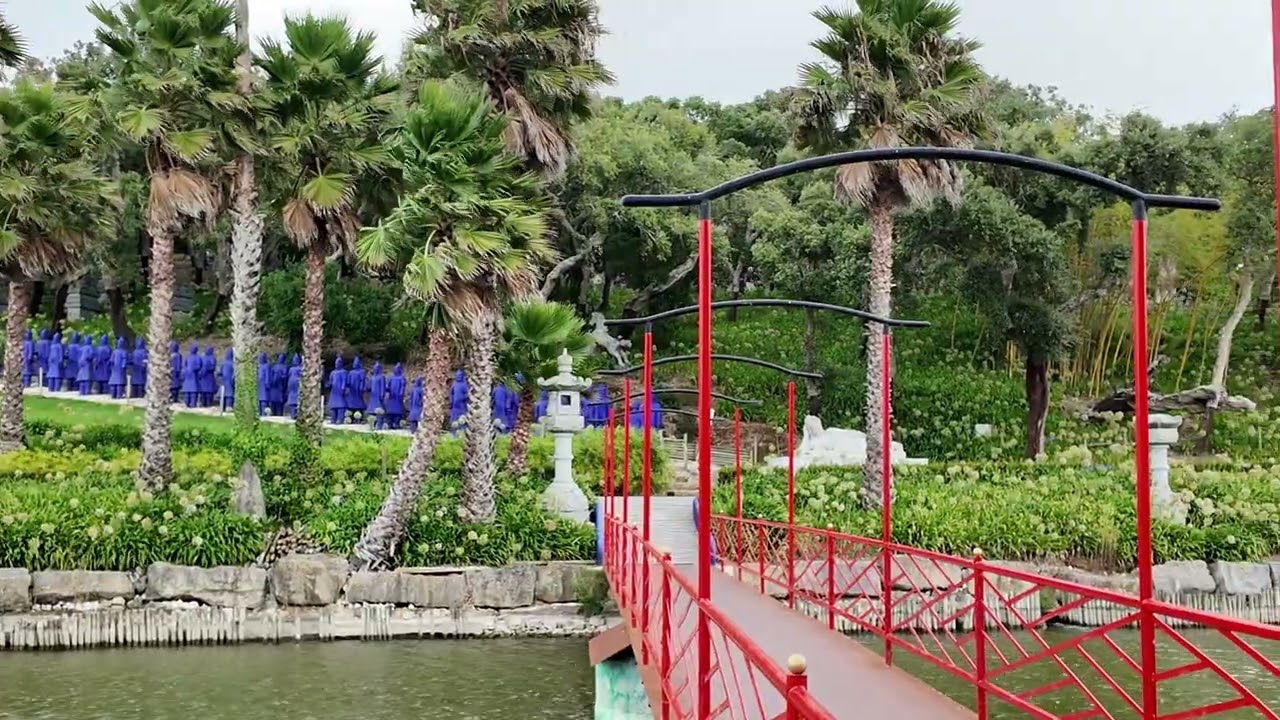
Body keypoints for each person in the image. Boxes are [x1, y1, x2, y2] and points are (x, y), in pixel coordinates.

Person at [326, 357, 348, 425]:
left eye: (338, 363)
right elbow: (330, 381)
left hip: (340, 390)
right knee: (333, 406)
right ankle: (333, 418)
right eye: (336, 363)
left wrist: (343, 388)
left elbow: (344, 381)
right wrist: (327, 384)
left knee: (341, 405)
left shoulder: (343, 372)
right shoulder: (333, 372)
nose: (336, 364)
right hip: (334, 391)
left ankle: (340, 419)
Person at [384, 363, 406, 429]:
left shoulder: (402, 378)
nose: (395, 370)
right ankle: (390, 423)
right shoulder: (392, 378)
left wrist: (401, 394)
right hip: (392, 397)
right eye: (395, 369)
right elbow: (388, 386)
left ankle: (396, 423)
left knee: (398, 410)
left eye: (397, 369)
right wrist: (386, 389)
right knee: (390, 411)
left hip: (398, 397)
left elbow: (402, 387)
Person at [365, 362, 386, 428]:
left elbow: (383, 387)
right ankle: (372, 424)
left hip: (378, 396)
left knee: (379, 410)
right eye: (374, 368)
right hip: (373, 396)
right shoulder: (372, 377)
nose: (375, 369)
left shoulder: (381, 377)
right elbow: (369, 387)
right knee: (371, 411)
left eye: (377, 368)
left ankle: (379, 424)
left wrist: (382, 394)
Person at [286, 354, 301, 419]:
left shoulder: (296, 369)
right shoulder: (292, 369)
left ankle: (295, 413)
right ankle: (293, 413)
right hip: (294, 384)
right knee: (294, 397)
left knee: (295, 397)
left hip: (294, 383)